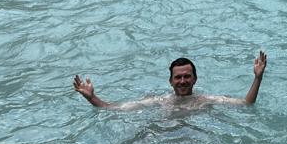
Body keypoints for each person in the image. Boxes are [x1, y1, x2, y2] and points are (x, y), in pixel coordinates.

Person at [73, 52, 266, 110]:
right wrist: (92, 98)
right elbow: (113, 108)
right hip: (164, 138)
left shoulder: (206, 100)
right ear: (170, 81)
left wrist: (258, 77)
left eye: (187, 76)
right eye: (178, 77)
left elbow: (246, 103)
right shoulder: (160, 101)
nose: (182, 81)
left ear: (195, 79)